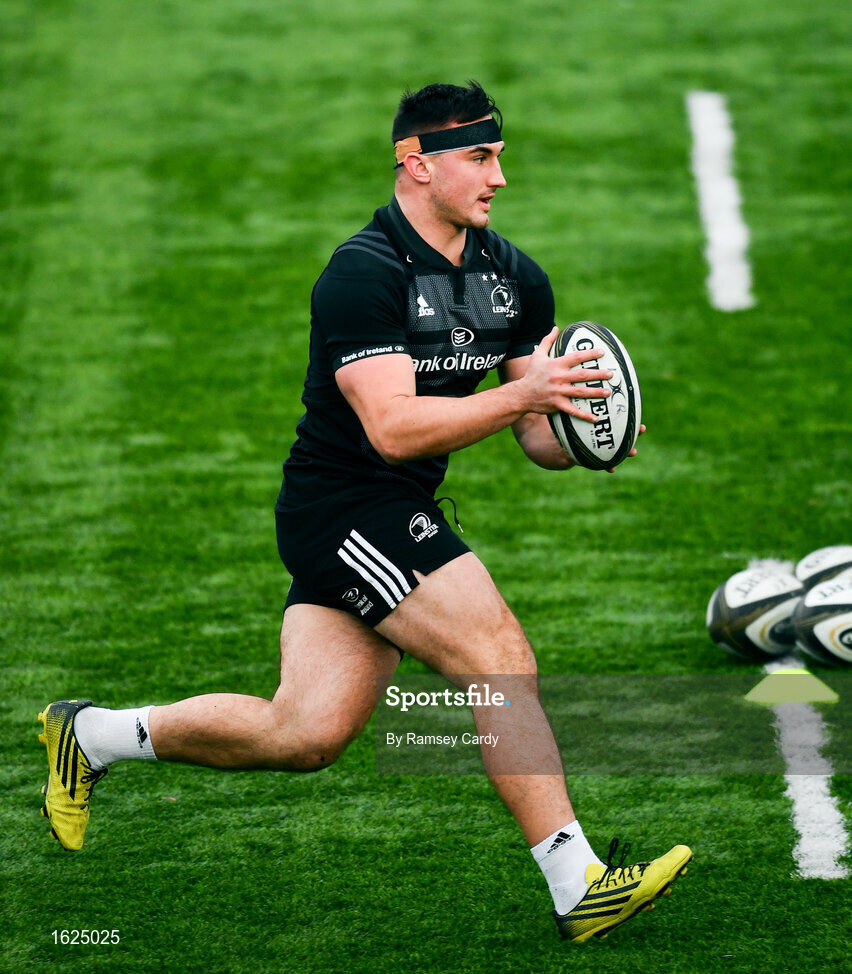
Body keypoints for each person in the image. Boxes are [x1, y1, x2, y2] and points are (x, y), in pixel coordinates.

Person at [38, 81, 691, 943]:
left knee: (304, 734)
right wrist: (524, 395)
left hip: (391, 506)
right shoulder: (363, 274)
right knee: (498, 656)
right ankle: (579, 885)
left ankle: (90, 735)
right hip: (343, 505)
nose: (499, 177)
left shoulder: (515, 278)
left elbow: (532, 430)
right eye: (479, 157)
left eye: (499, 156)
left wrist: (581, 433)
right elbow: (392, 429)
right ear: (416, 164)